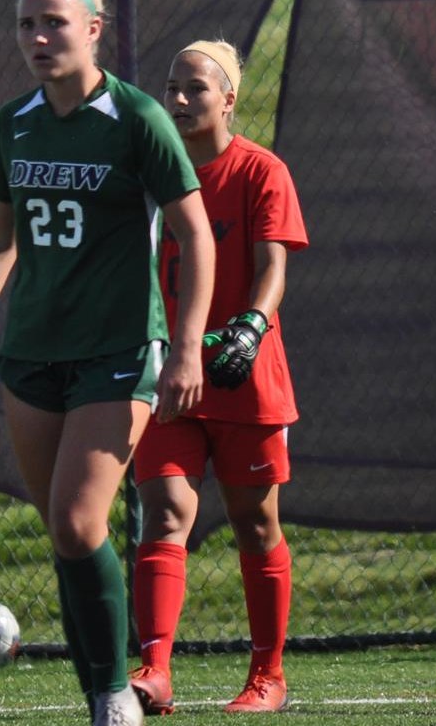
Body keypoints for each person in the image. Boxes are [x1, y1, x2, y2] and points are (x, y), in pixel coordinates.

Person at [0, 0, 216, 726]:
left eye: (54, 22)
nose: (38, 36)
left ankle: (116, 693)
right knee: (64, 529)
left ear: (93, 29)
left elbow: (194, 232)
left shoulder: (137, 117)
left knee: (82, 521)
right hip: (31, 352)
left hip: (118, 349)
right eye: (27, 23)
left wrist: (186, 345)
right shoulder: (14, 121)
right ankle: (99, 694)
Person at [127, 40, 309, 716]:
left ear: (228, 99)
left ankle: (268, 676)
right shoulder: (149, 174)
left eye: (195, 88)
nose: (178, 99)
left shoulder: (261, 170)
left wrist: (251, 326)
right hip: (168, 375)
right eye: (171, 87)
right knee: (165, 511)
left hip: (243, 375)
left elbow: (272, 267)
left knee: (254, 523)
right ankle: (155, 670)